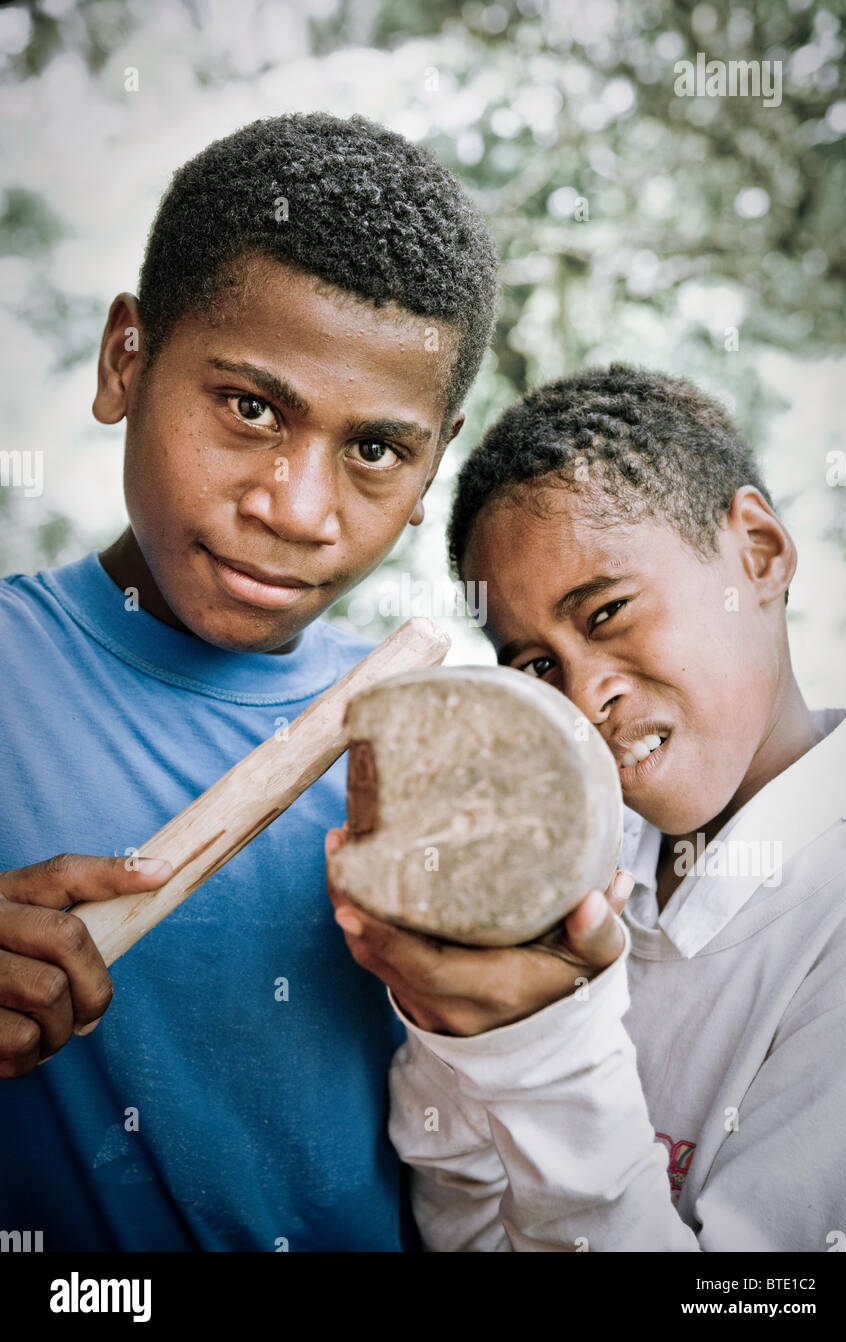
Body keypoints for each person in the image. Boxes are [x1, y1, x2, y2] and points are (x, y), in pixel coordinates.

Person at [0, 111, 497, 1251]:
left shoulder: (436, 758)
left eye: (374, 449)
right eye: (252, 407)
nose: (296, 508)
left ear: (431, 464)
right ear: (126, 356)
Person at [328, 363, 846, 1251]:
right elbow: (462, 1233)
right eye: (535, 665)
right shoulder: (569, 868)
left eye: (608, 611)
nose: (585, 696)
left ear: (759, 554)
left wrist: (546, 1052)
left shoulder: (842, 921)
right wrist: (454, 1026)